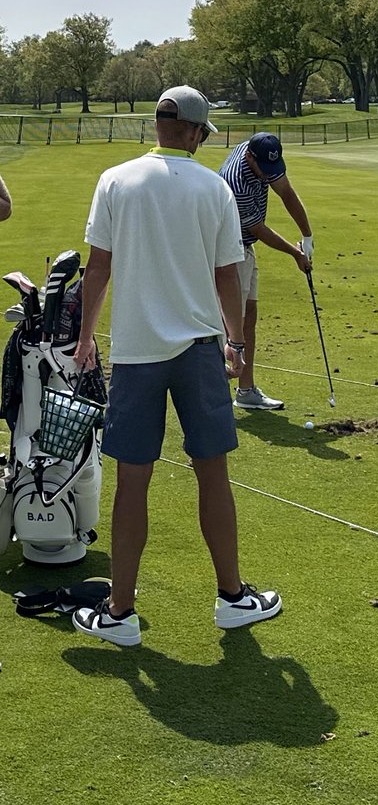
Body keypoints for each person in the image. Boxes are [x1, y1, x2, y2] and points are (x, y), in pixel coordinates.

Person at [71, 87, 282, 647]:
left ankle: (120, 613)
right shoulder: (213, 188)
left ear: (160, 125)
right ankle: (233, 599)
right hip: (198, 349)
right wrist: (236, 341)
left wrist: (86, 338)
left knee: (131, 481)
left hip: (137, 352)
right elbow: (226, 277)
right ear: (193, 131)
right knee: (212, 472)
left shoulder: (114, 179)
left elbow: (98, 270)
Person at [218, 132, 312, 410]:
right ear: (249, 158)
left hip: (244, 247)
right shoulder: (237, 183)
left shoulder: (261, 152)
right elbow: (258, 229)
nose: (269, 176)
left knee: (249, 317)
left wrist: (307, 236)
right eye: (264, 170)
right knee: (229, 324)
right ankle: (214, 394)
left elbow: (286, 191)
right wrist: (295, 253)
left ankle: (245, 391)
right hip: (228, 249)